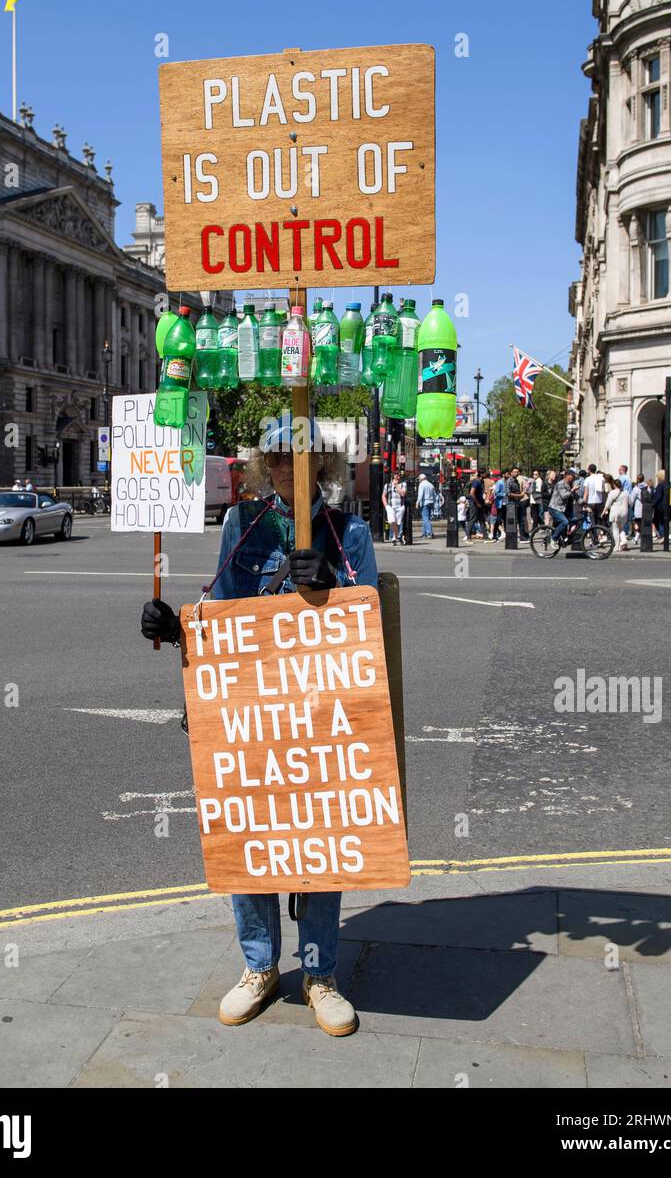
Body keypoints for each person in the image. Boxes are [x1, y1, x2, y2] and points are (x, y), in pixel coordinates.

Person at [140, 423, 377, 1038]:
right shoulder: (238, 525)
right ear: (262, 465)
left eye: (298, 459)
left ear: (321, 465)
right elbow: (221, 616)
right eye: (275, 458)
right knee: (250, 834)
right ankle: (259, 966)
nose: (285, 469)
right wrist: (174, 627)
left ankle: (320, 974)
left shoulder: (350, 532)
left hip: (321, 717)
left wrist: (331, 587)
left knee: (321, 839)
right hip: (253, 710)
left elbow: (368, 622)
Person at [548, 468, 577, 545]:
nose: (573, 477)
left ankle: (565, 536)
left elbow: (575, 496)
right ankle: (553, 539)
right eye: (572, 476)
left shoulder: (569, 485)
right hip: (555, 508)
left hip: (563, 509)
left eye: (574, 476)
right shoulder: (560, 484)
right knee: (565, 522)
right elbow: (564, 496)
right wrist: (572, 490)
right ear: (566, 476)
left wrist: (585, 504)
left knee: (574, 519)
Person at [602, 477, 630, 552]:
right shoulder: (626, 493)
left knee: (615, 529)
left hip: (615, 512)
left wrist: (604, 511)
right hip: (624, 512)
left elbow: (607, 504)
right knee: (621, 528)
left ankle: (616, 546)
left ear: (614, 485)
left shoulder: (612, 492)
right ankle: (624, 541)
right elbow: (630, 502)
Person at [382, 475, 405, 546]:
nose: (397, 479)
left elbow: (402, 494)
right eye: (396, 477)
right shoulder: (387, 485)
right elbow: (383, 495)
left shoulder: (403, 484)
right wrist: (386, 506)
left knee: (397, 523)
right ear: (392, 478)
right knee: (392, 521)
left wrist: (397, 485)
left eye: (398, 477)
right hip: (390, 506)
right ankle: (398, 536)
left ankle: (394, 538)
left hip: (400, 507)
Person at [416, 473, 436, 540]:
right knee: (426, 518)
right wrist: (434, 503)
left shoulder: (421, 484)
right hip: (430, 502)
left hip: (425, 503)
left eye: (419, 479)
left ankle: (429, 533)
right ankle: (424, 533)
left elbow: (420, 494)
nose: (419, 480)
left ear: (421, 479)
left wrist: (417, 502)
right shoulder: (431, 485)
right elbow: (434, 495)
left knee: (425, 518)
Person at [650, 469, 667, 542]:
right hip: (666, 506)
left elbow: (658, 496)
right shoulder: (668, 484)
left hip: (660, 507)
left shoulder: (660, 485)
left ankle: (663, 535)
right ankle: (663, 535)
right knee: (661, 521)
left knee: (658, 521)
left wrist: (652, 504)